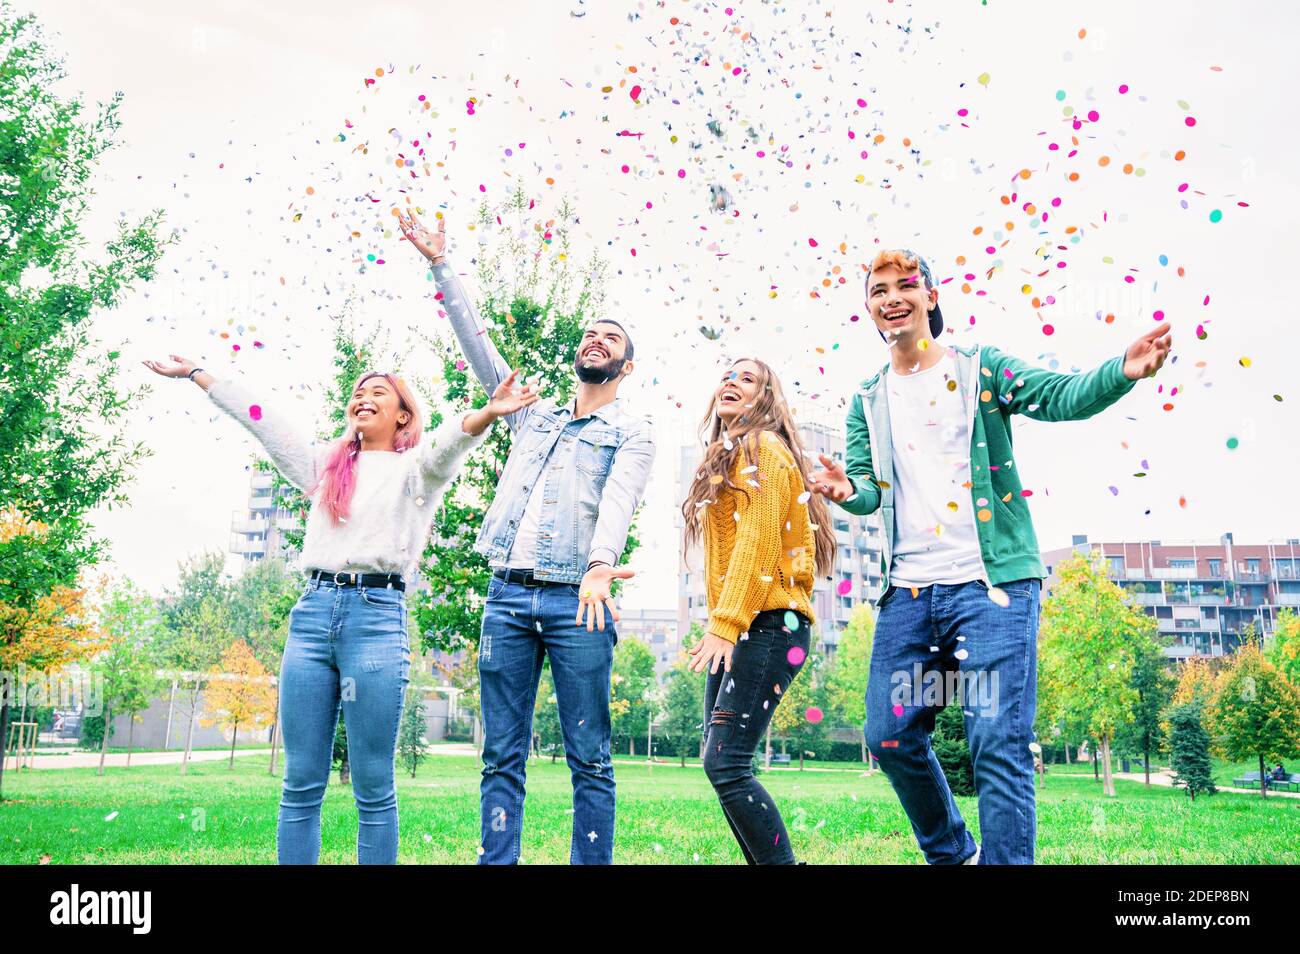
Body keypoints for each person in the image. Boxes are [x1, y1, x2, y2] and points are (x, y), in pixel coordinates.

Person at [808, 248, 1171, 865]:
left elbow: (1060, 396)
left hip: (992, 590)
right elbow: (868, 489)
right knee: (890, 735)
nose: (891, 297)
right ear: (868, 309)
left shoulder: (981, 369)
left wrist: (1122, 371)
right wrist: (848, 492)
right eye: (878, 290)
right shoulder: (868, 398)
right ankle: (954, 854)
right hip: (912, 595)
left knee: (996, 739)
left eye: (905, 286)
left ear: (931, 296)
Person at [142, 355, 536, 863]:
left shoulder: (414, 472)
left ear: (402, 414)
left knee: (373, 785)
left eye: (379, 393)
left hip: (375, 620)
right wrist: (200, 375)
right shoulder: (325, 467)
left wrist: (487, 413)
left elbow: (447, 444)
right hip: (311, 618)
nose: (363, 398)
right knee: (301, 781)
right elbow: (266, 423)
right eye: (359, 392)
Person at [398, 209, 656, 864]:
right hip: (506, 600)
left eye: (611, 339)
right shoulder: (530, 416)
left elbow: (619, 502)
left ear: (627, 366)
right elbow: (479, 348)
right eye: (591, 334)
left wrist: (601, 564)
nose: (597, 341)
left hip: (580, 602)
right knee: (500, 756)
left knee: (590, 759)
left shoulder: (632, 431)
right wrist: (439, 265)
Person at [682, 358, 835, 864]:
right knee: (721, 763)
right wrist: (723, 622)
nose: (729, 381)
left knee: (727, 763)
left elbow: (758, 539)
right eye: (726, 374)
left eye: (746, 378)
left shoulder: (763, 448)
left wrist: (726, 625)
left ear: (765, 399)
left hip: (768, 624)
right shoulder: (729, 456)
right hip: (749, 623)